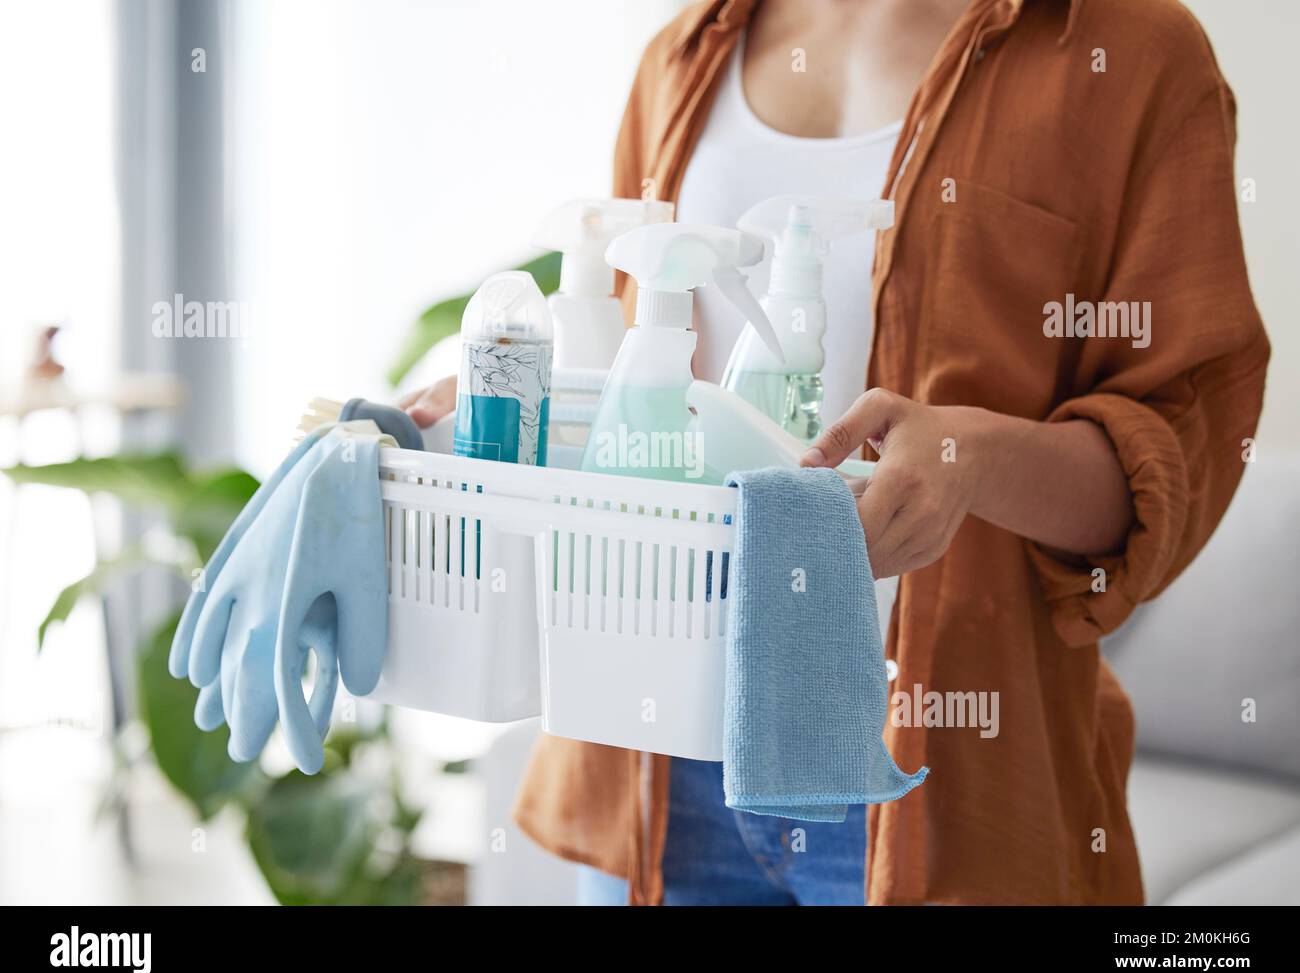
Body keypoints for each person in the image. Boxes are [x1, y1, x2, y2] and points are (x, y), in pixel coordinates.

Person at [401, 0, 1269, 905]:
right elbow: (642, 370)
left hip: (937, 775)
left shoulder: (1126, 52)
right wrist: (541, 399)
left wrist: (974, 459)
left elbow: (1172, 459)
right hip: (658, 742)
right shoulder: (688, 51)